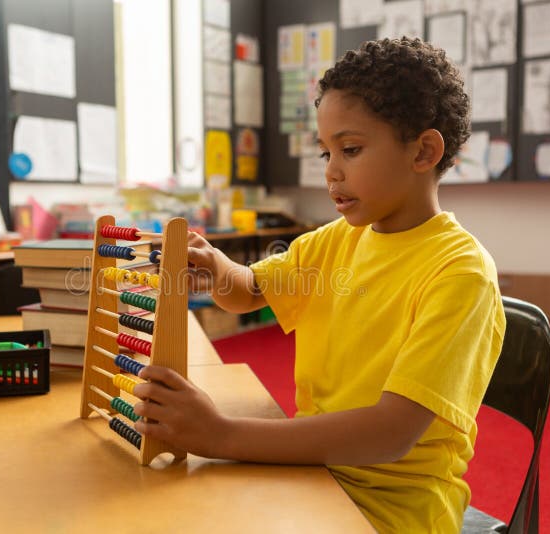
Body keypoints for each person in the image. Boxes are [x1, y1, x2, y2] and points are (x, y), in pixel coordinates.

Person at [132, 37, 505, 533]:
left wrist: (220, 435)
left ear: (423, 151)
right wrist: (218, 267)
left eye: (350, 149)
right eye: (326, 150)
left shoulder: (460, 274)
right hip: (311, 472)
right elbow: (248, 293)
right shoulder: (334, 241)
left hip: (391, 509)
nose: (331, 171)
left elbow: (390, 433)